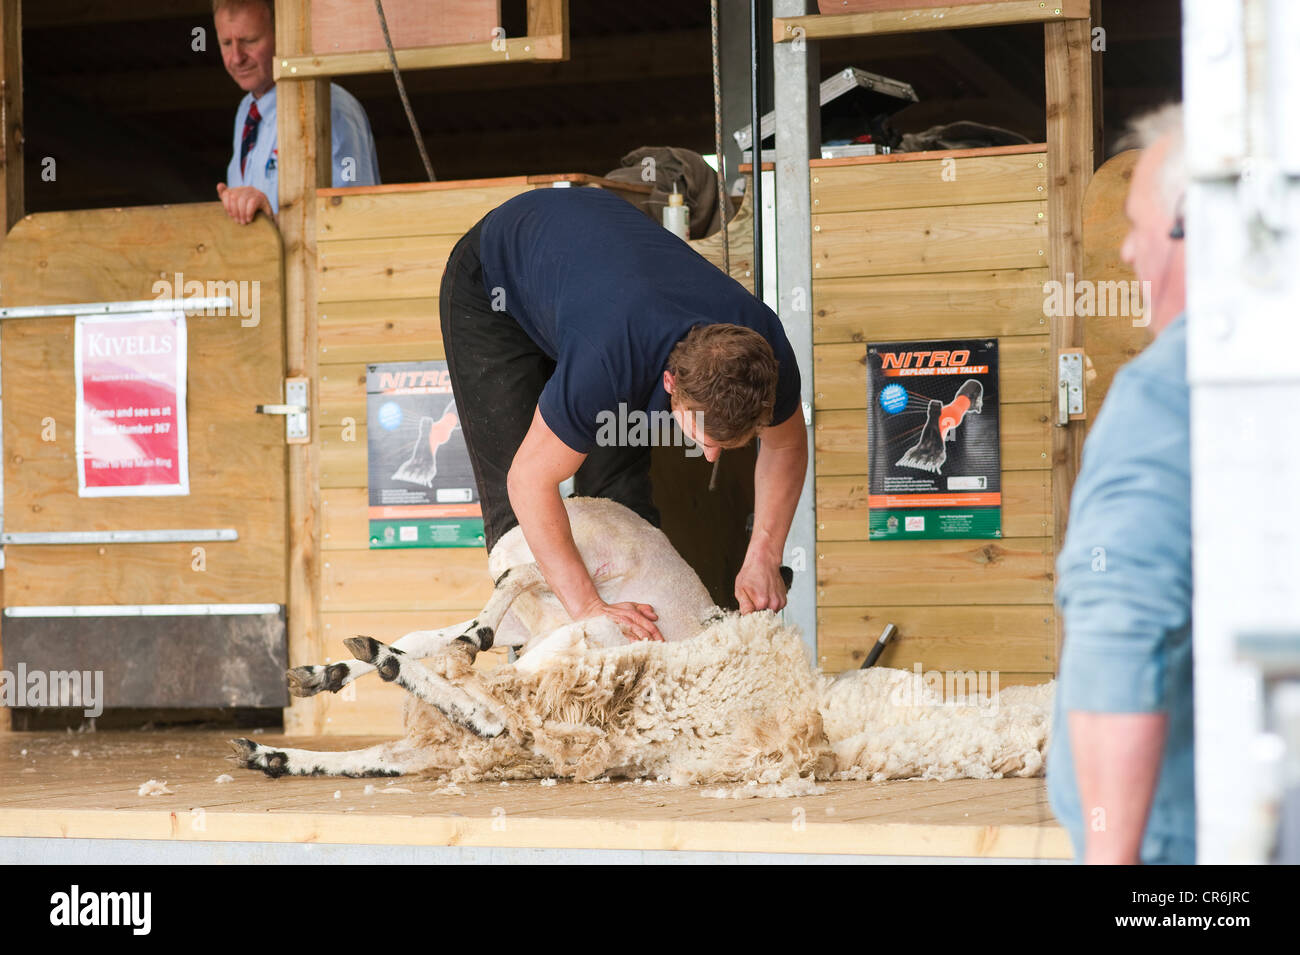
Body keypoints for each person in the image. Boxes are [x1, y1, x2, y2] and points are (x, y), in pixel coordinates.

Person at [440, 186, 807, 642]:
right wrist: (589, 608)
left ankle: (638, 658)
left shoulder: (766, 354)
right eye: (703, 436)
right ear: (670, 383)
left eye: (728, 445)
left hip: (593, 285)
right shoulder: (612, 361)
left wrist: (764, 555)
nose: (710, 457)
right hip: (495, 286)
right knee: (517, 528)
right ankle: (544, 672)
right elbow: (527, 482)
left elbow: (787, 444)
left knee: (621, 501)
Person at [1048, 102, 1194, 864]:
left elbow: (1124, 630)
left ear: (1190, 229)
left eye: (1140, 227)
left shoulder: (1168, 392)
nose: (1131, 253)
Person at [213, 0, 381, 224]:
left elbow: (354, 217)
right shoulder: (246, 111)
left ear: (282, 35)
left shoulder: (332, 108)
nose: (236, 57)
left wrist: (273, 220)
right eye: (226, 43)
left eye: (249, 41)